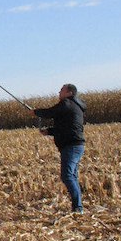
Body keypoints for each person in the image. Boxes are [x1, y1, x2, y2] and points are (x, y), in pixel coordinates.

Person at [30, 84, 87, 213]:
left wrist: (36, 112)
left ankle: (78, 207)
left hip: (71, 146)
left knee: (67, 176)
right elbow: (66, 127)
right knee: (72, 175)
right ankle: (77, 206)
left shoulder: (66, 103)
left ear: (69, 93)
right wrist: (49, 131)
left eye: (62, 90)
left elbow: (51, 112)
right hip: (75, 145)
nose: (59, 92)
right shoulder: (75, 107)